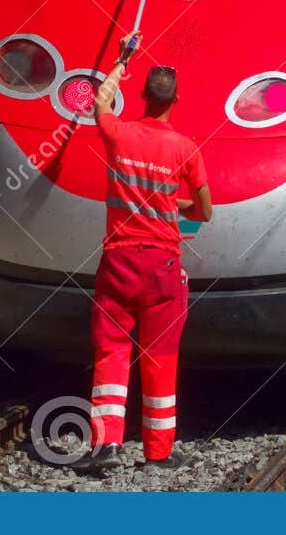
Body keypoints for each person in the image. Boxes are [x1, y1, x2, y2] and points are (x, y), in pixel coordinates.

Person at [75, 50, 212, 476]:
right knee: (160, 357)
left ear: (143, 97)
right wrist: (172, 203)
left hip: (118, 262)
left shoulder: (118, 134)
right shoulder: (185, 148)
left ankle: (106, 444)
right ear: (175, 101)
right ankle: (157, 452)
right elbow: (205, 211)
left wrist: (121, 60)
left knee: (111, 351)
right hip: (162, 267)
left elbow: (100, 100)